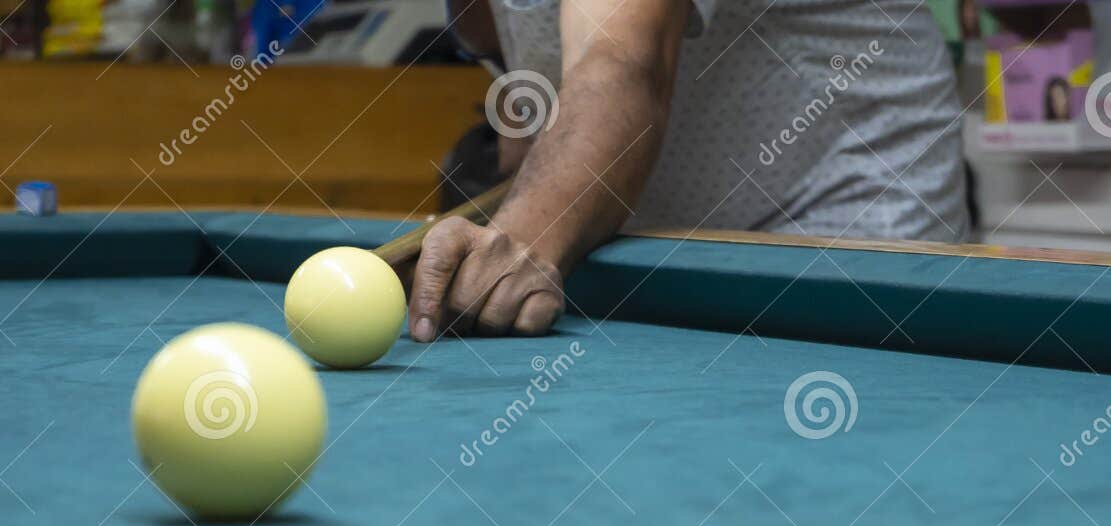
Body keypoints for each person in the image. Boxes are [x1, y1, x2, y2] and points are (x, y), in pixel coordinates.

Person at [414, 0, 969, 340]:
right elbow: (494, 33)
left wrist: (521, 235)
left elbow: (627, 59)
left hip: (845, 194)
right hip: (665, 222)